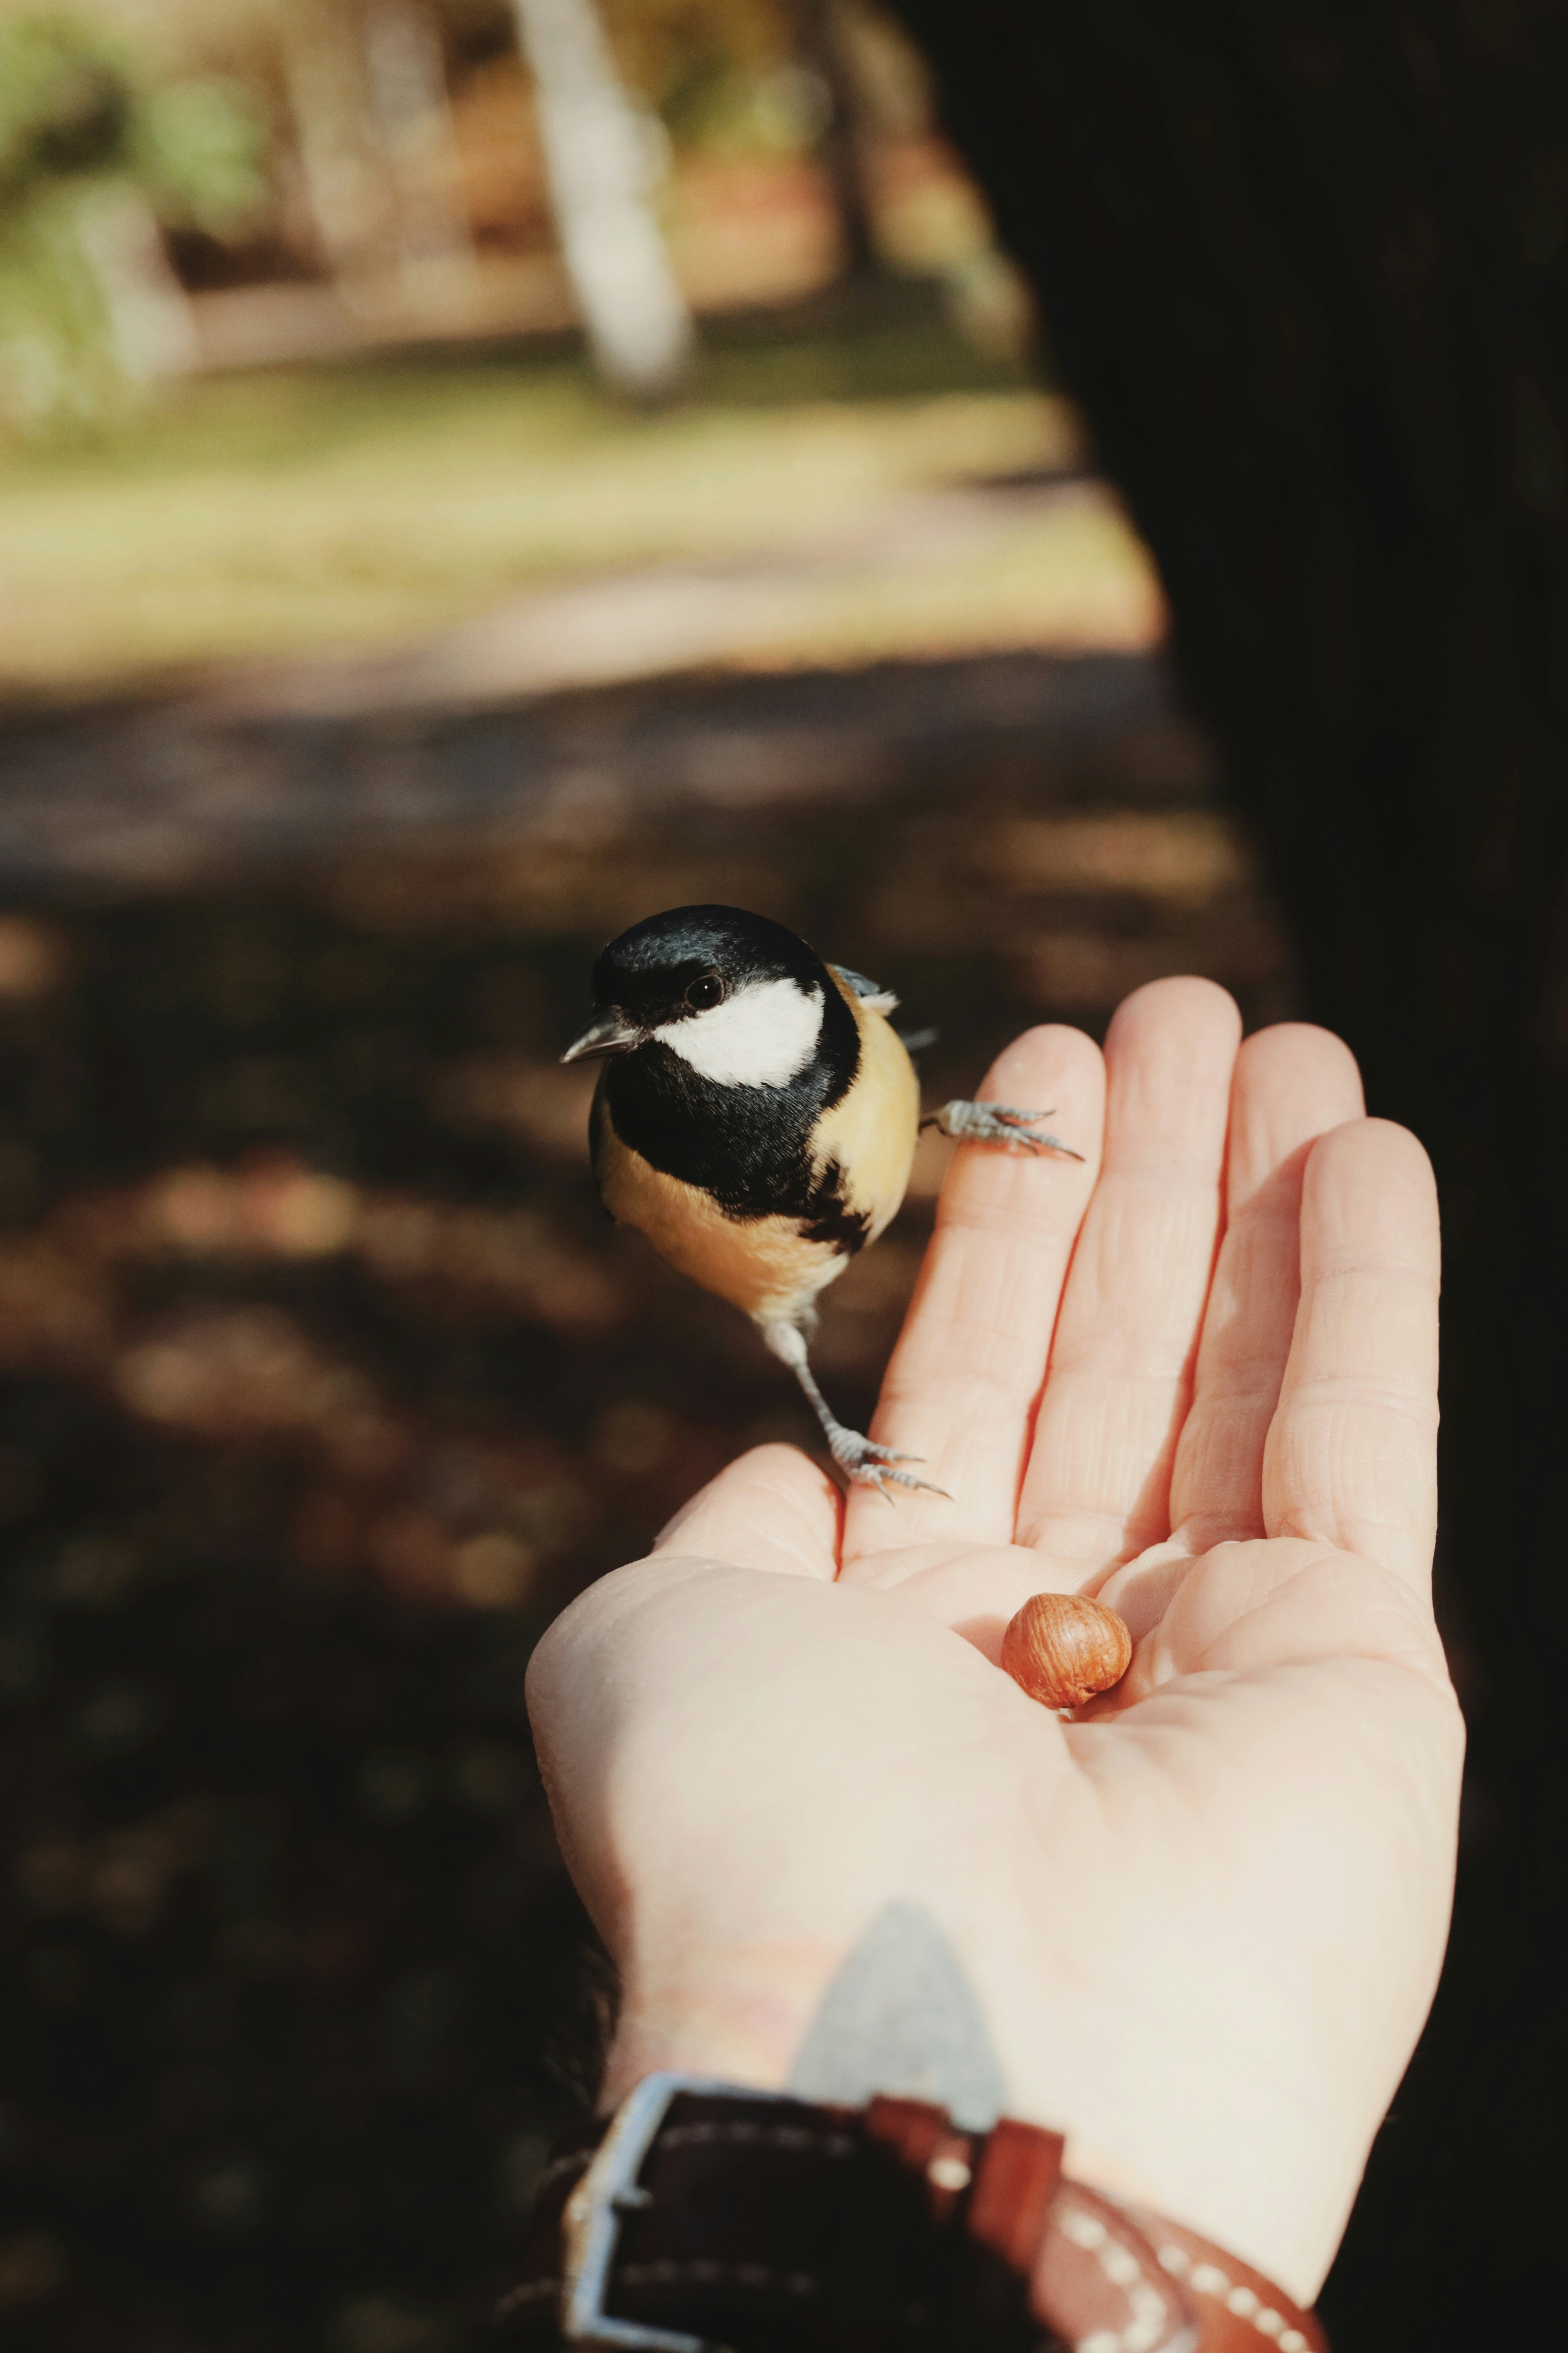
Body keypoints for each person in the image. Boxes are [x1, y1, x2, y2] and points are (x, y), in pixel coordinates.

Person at [522, 978, 1461, 2336]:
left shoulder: (843, 1029)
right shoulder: (635, 1129)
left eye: (678, 1006)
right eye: (620, 1017)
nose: (626, 1038)